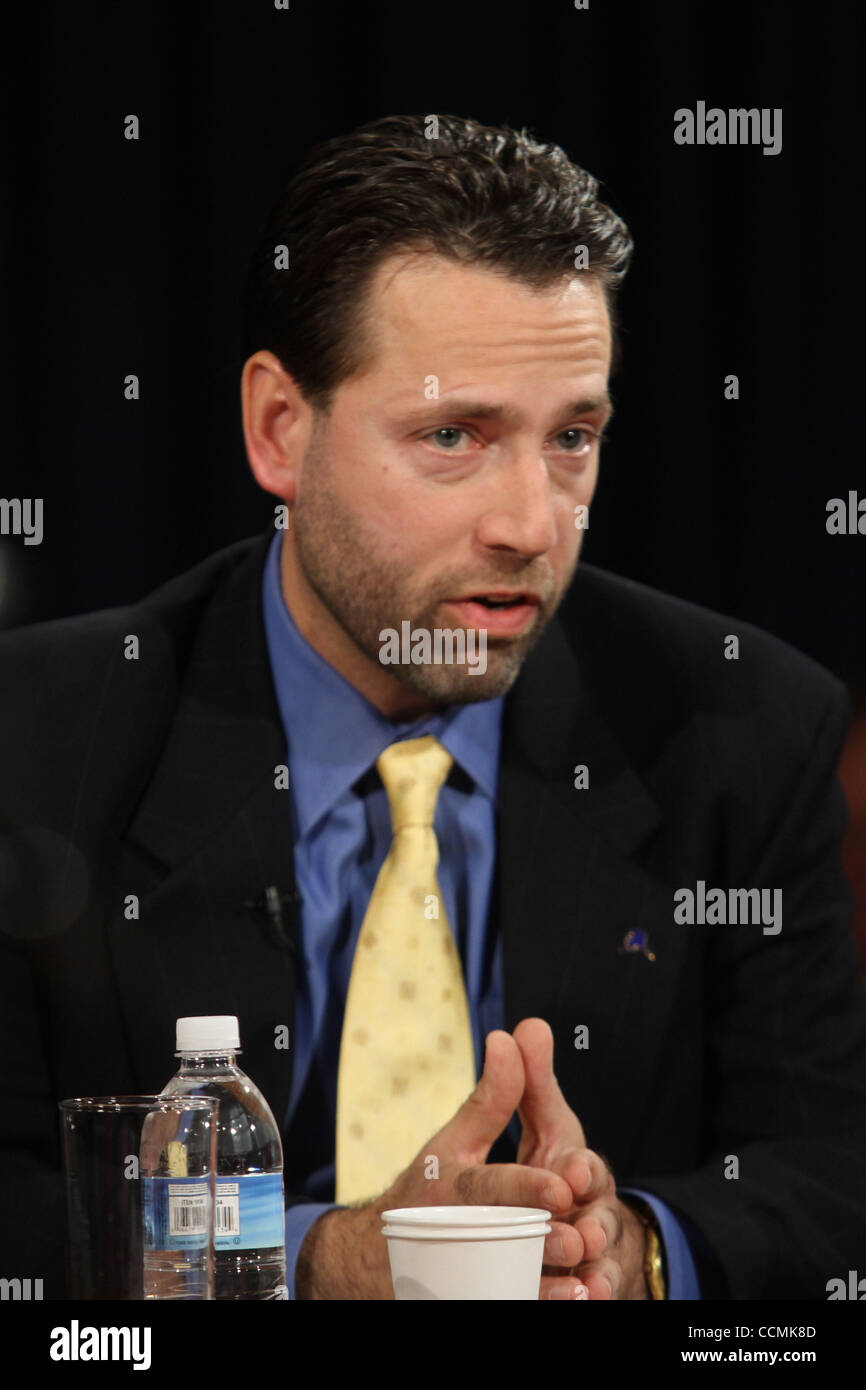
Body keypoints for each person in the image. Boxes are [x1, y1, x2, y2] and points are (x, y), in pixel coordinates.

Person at [2, 114, 865, 1301]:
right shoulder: (38, 741)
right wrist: (318, 1259)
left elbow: (827, 1175)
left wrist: (635, 1251)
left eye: (572, 436)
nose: (527, 522)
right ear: (278, 429)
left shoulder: (738, 725)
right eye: (452, 435)